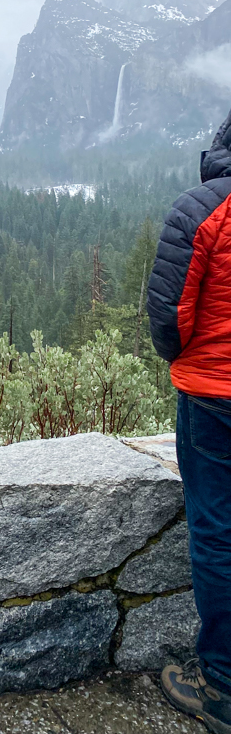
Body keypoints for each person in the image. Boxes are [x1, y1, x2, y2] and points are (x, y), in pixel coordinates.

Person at [148, 113, 231, 734]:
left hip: (214, 402)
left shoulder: (201, 210)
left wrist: (189, 361)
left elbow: (168, 321)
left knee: (218, 534)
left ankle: (223, 687)